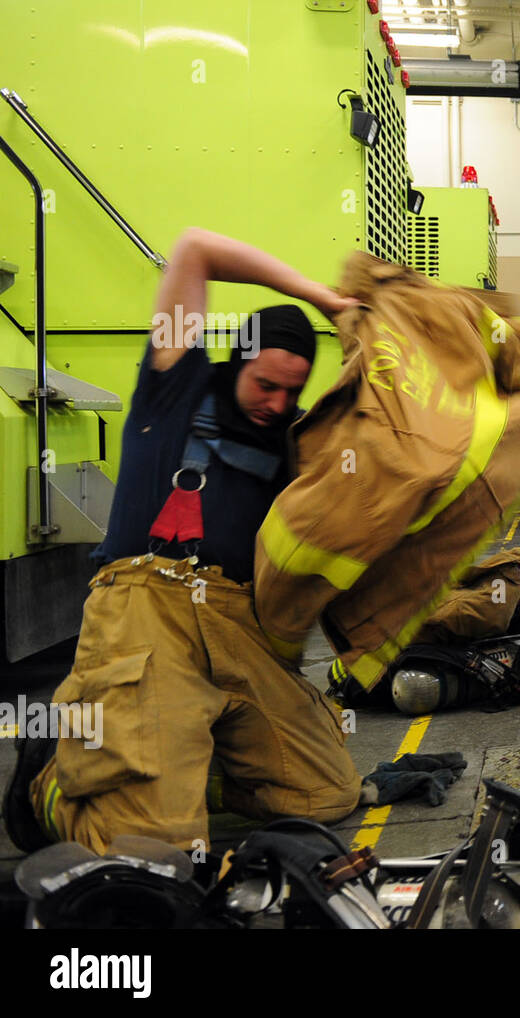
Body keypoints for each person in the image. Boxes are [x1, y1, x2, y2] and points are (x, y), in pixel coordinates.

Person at [5, 228, 363, 855]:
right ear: (239, 360)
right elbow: (195, 247)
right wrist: (323, 299)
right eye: (265, 385)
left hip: (233, 623)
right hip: (144, 606)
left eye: (291, 391)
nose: (276, 403)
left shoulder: (292, 444)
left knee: (326, 796)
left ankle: (186, 769)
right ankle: (52, 784)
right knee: (153, 846)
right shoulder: (174, 382)